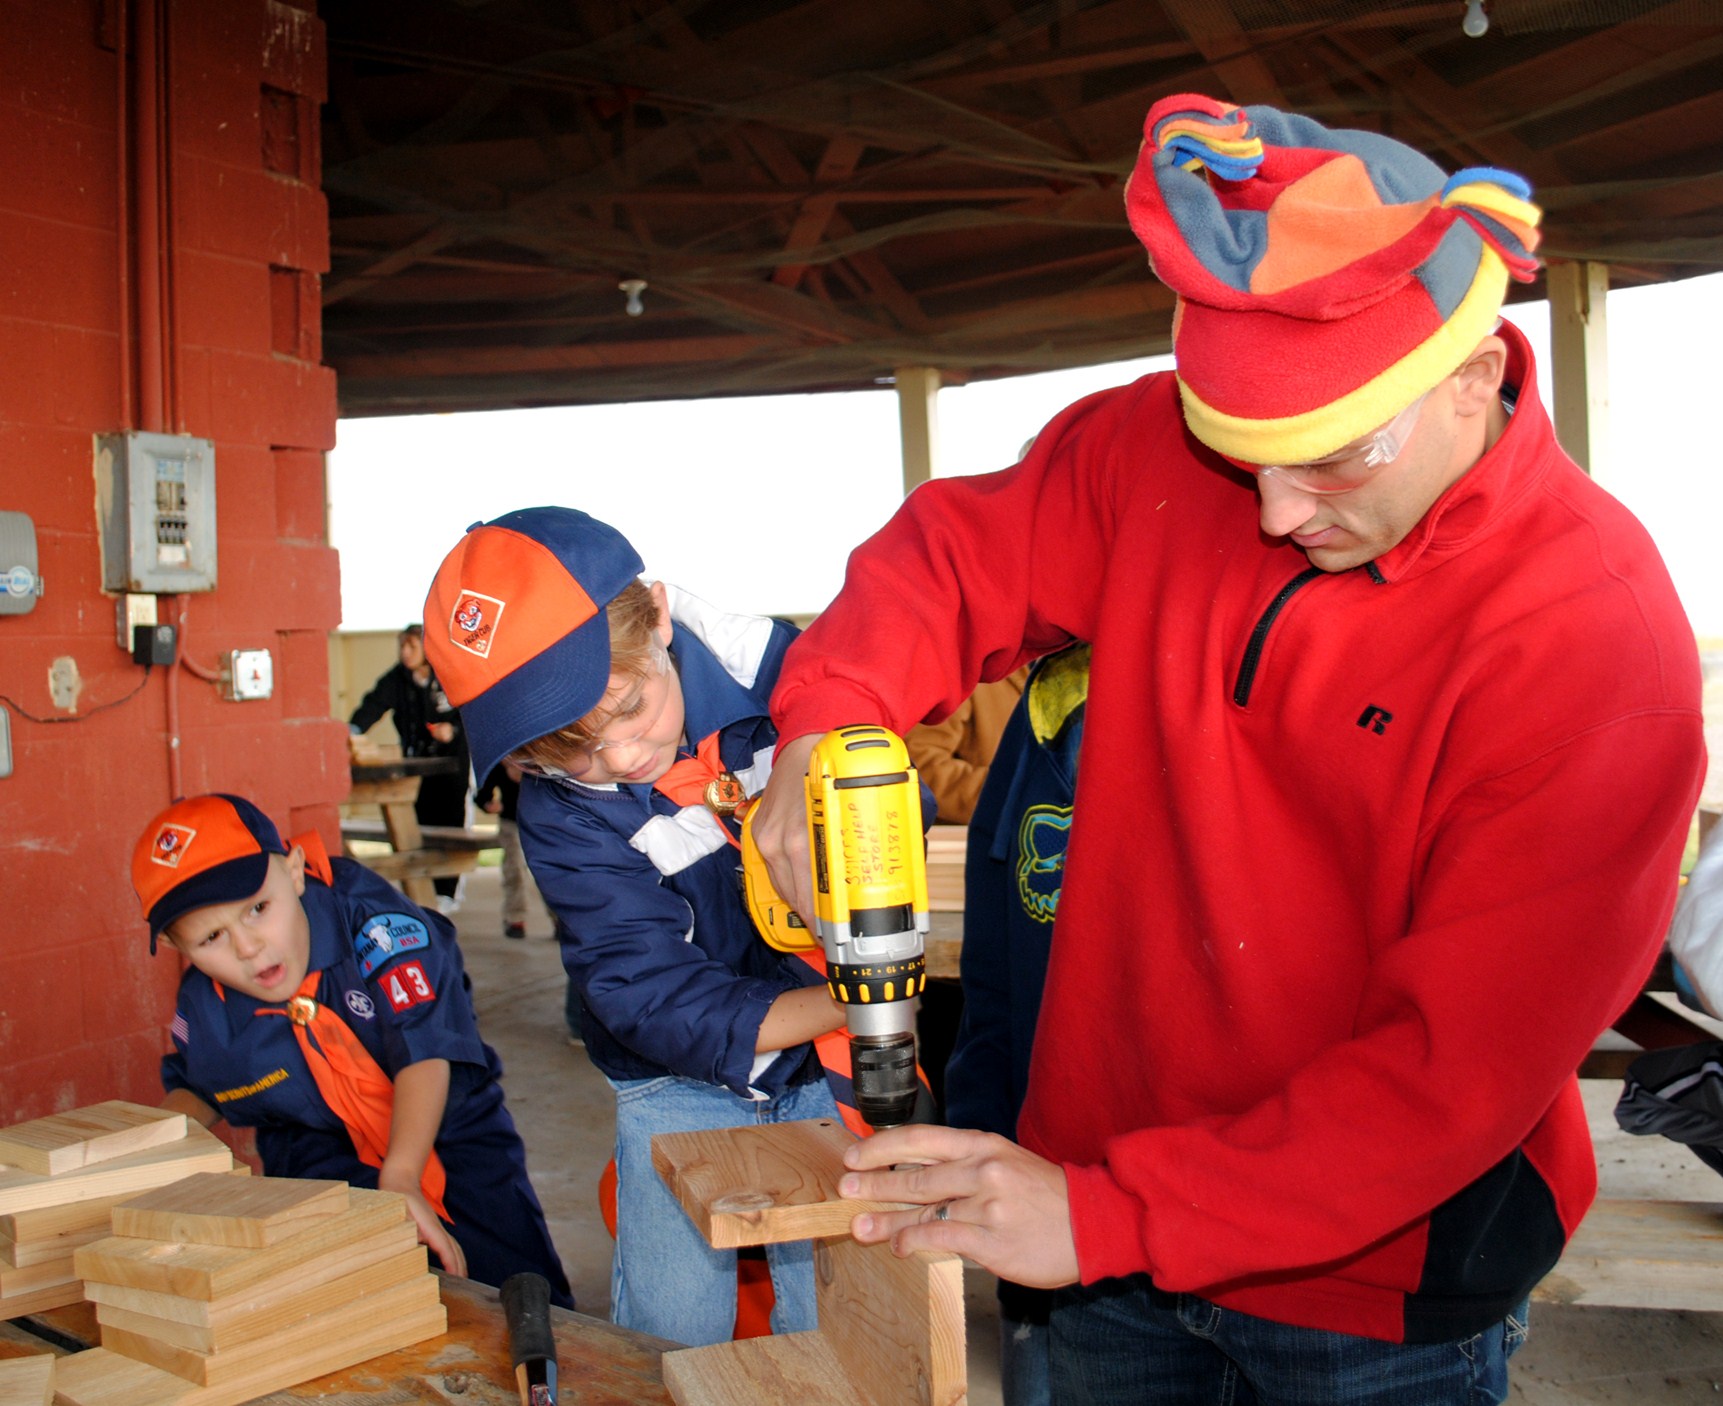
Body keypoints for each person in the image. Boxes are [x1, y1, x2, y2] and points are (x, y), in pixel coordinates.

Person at [749, 94, 1707, 1404]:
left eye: (1326, 459)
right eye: (1234, 448)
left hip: (1375, 1291)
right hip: (1094, 1209)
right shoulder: (1157, 455)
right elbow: (956, 553)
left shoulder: (1589, 646)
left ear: (1472, 376)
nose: (1267, 507)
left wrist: (1107, 1214)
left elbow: (1450, 1072)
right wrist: (826, 719)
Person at [420, 506, 850, 1348]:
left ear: (656, 616)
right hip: (672, 1079)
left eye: (626, 705)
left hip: (828, 1066)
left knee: (837, 1315)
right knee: (668, 1328)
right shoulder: (557, 806)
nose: (616, 759)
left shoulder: (791, 674)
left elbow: (902, 808)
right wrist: (855, 998)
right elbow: (642, 993)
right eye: (562, 747)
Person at [132, 792, 573, 1307]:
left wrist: (403, 1175)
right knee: (361, 1305)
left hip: (448, 1128)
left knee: (520, 1293)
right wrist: (134, 1154)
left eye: (258, 909)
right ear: (176, 949)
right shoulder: (206, 1006)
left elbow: (426, 1049)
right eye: (211, 937)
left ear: (295, 872)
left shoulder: (377, 926)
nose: (247, 947)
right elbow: (198, 1087)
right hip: (317, 1148)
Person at [944, 642, 1090, 1406]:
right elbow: (993, 970)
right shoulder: (1047, 702)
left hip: (1189, 1201)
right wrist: (983, 1132)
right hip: (1048, 1165)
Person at [348, 623, 471, 906]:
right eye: (402, 646)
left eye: (411, 647)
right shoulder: (397, 679)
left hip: (452, 766)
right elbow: (372, 705)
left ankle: (447, 893)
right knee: (417, 822)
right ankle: (422, 891)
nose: (405, 653)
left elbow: (474, 712)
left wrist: (452, 731)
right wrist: (351, 732)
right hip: (416, 766)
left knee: (450, 823)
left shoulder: (451, 673)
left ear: (427, 648)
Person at [905, 666, 1029, 825]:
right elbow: (921, 767)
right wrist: (1022, 794)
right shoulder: (962, 669)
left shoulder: (1062, 664)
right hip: (968, 839)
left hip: (1038, 831)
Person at [473, 760, 544, 939]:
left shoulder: (540, 762)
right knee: (515, 871)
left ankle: (560, 919)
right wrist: (489, 805)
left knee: (548, 871)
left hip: (540, 823)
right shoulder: (497, 766)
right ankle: (515, 918)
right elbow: (482, 795)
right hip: (511, 823)